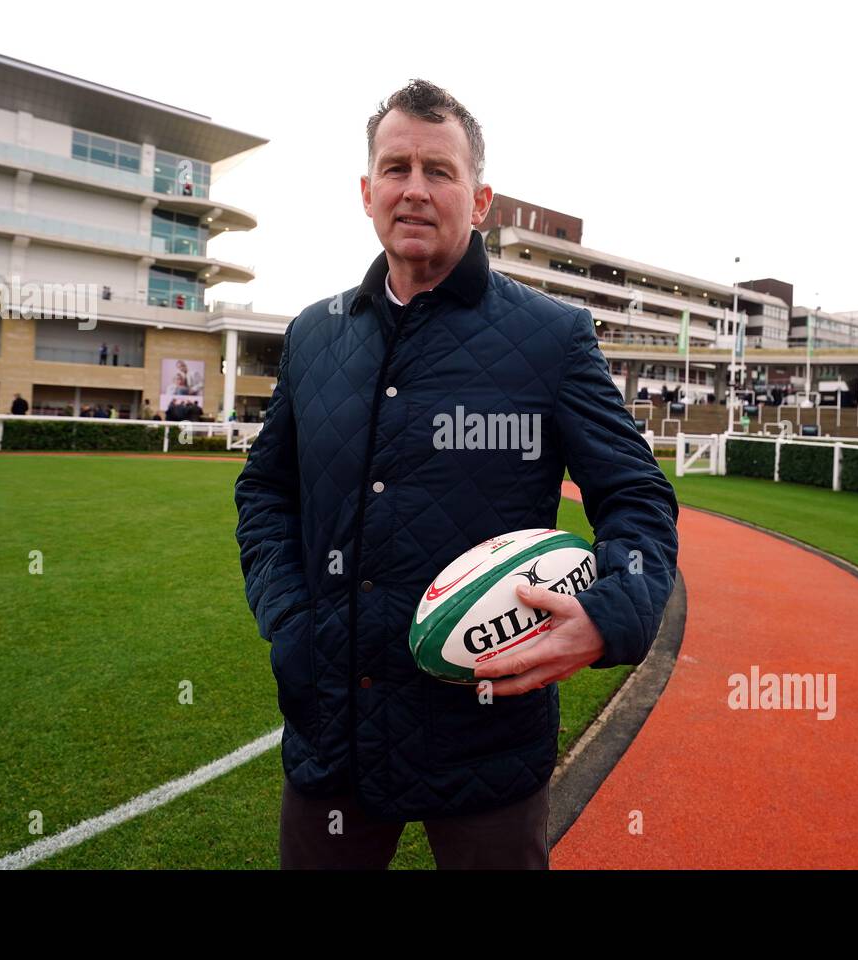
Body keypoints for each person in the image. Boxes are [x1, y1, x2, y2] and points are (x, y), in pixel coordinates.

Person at [234, 79, 678, 871]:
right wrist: (288, 622)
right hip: (330, 724)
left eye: (439, 170)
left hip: (486, 735)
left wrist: (615, 612)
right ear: (367, 192)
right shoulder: (312, 335)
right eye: (396, 168)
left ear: (480, 201)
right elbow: (266, 490)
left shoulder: (552, 337)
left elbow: (636, 495)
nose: (414, 188)